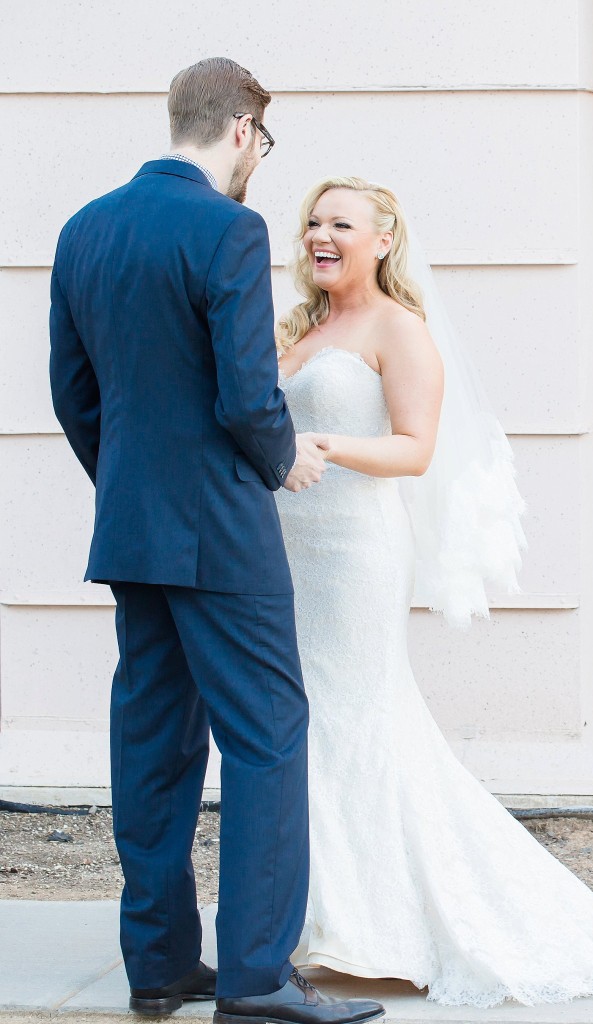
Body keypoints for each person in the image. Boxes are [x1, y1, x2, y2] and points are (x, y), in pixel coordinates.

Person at [274, 175, 593, 1007]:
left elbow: (414, 449)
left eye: (340, 224)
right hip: (292, 554)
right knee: (311, 730)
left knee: (355, 720)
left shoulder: (400, 328)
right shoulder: (305, 327)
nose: (321, 234)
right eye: (313, 221)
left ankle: (388, 926)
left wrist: (324, 442)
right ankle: (337, 923)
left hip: (353, 555)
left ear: (383, 239)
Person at [49, 59, 384, 1024]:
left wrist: (131, 486)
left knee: (152, 749)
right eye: (261, 144)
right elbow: (246, 394)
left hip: (132, 530)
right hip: (223, 534)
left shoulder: (85, 229)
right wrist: (282, 460)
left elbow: (73, 395)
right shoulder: (228, 229)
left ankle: (157, 968)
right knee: (268, 738)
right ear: (241, 129)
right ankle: (256, 980)